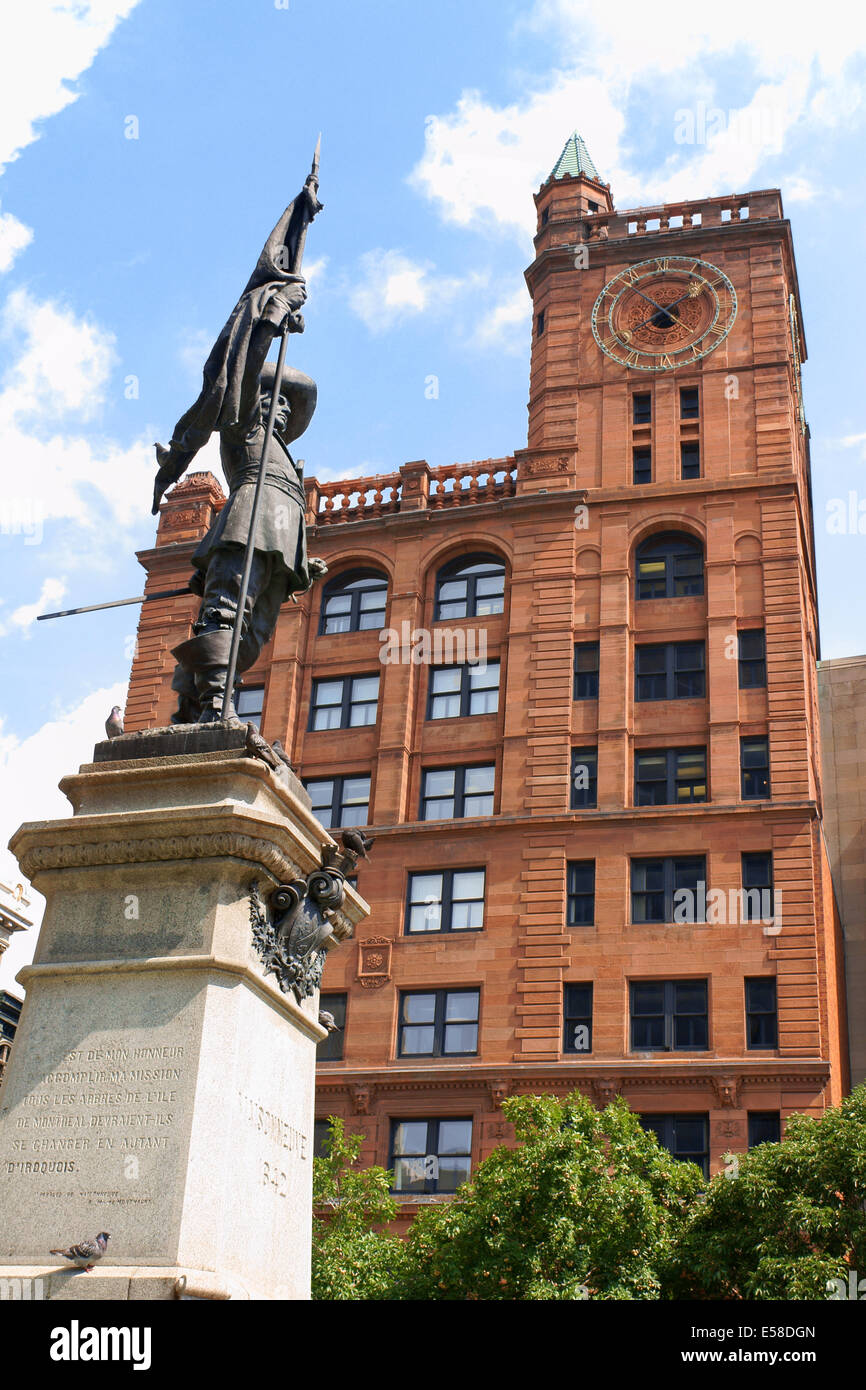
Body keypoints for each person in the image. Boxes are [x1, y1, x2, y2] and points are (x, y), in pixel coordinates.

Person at [151, 183, 327, 722]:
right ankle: (211, 701)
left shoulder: (286, 459)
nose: (280, 409)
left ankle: (192, 704)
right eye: (274, 399)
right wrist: (273, 314)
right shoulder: (242, 426)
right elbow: (246, 368)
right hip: (245, 524)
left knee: (257, 628)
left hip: (280, 537)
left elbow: (287, 504)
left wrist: (301, 555)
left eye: (287, 405)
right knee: (227, 608)